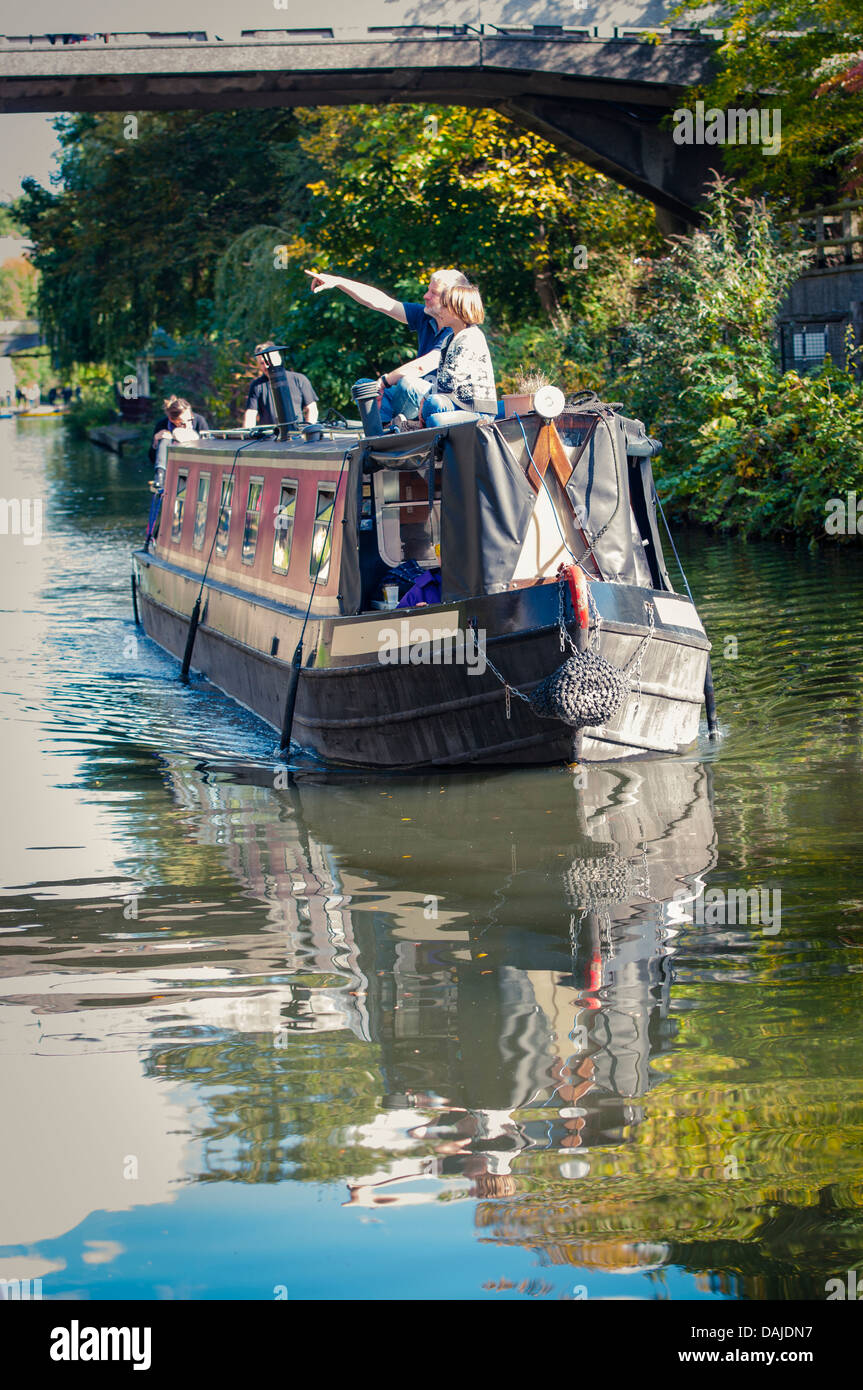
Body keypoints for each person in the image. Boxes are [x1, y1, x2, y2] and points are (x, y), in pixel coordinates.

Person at [303, 266, 468, 423]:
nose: (425, 296)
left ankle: (395, 432)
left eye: (434, 293)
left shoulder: (458, 328)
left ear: (451, 300)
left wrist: (384, 381)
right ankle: (381, 434)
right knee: (365, 388)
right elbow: (380, 302)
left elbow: (423, 366)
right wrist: (338, 281)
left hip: (442, 402)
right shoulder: (426, 317)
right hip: (415, 400)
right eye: (428, 290)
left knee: (407, 384)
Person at [415, 282, 497, 429]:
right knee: (430, 403)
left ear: (458, 309)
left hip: (476, 409)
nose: (440, 309)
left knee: (433, 403)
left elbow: (449, 382)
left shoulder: (471, 337)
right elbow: (441, 378)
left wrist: (426, 399)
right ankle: (415, 427)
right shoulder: (449, 339)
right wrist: (423, 400)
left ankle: (416, 427)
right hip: (458, 405)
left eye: (445, 306)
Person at [243, 343, 318, 428]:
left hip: (297, 436)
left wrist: (309, 431)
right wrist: (247, 435)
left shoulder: (299, 379)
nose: (267, 366)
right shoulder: (257, 385)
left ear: (278, 359)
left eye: (269, 361)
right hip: (268, 437)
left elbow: (311, 408)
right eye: (262, 363)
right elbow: (251, 414)